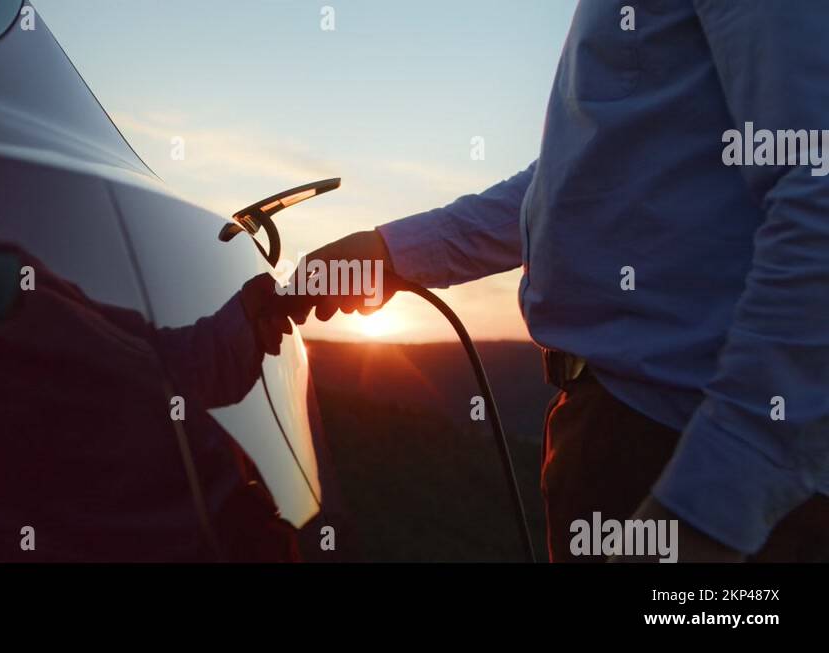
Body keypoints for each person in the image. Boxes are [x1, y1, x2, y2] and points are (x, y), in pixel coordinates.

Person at [267, 0, 829, 562]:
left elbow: (817, 188)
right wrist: (394, 251)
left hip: (682, 455)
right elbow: (581, 173)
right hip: (622, 438)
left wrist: (716, 509)